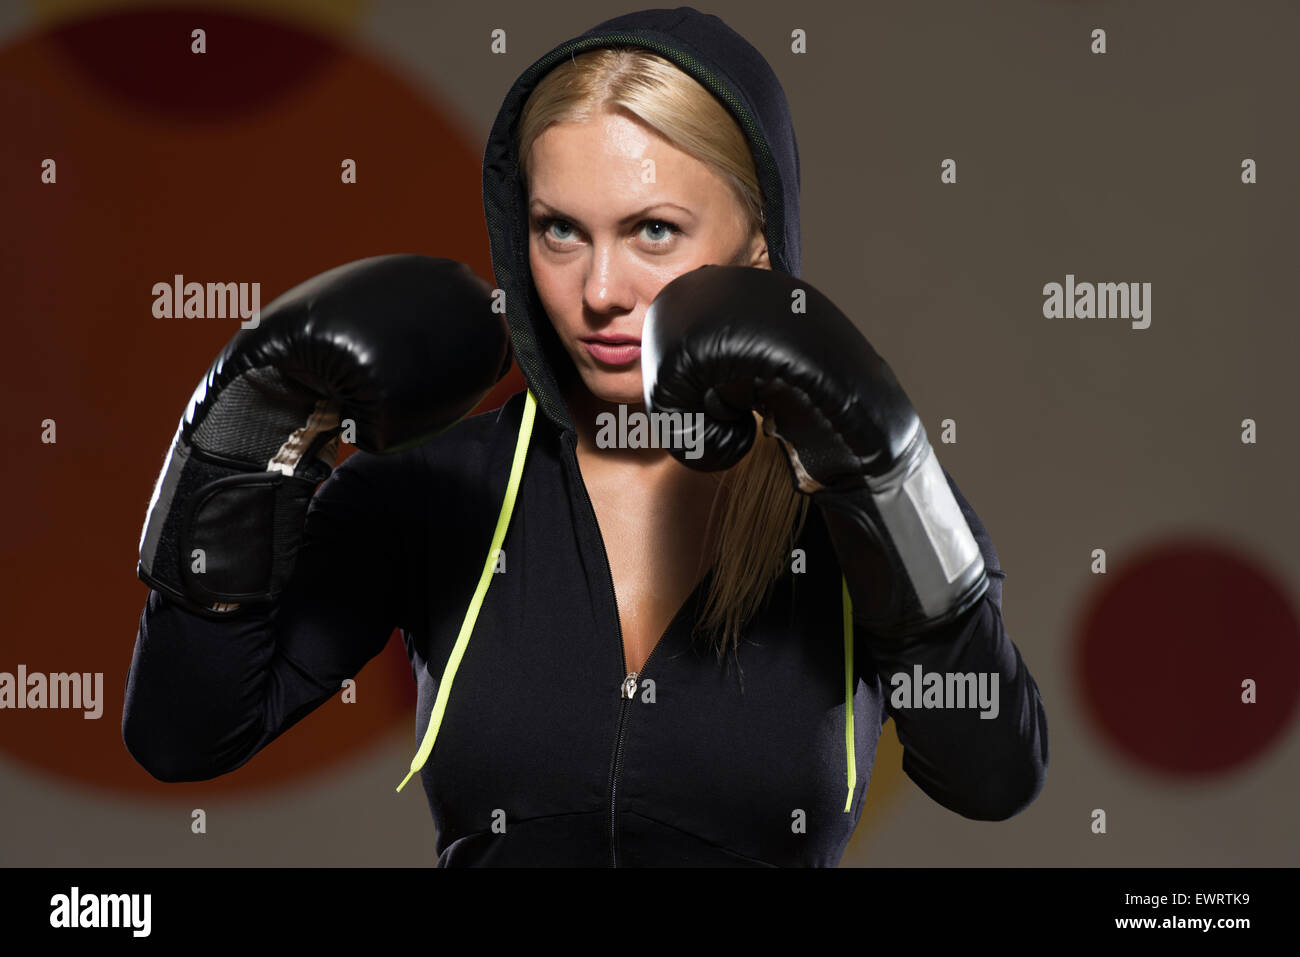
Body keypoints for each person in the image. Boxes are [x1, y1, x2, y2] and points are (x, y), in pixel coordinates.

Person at [124, 6, 1048, 867]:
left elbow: (992, 774)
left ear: (759, 243)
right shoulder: (440, 487)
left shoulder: (851, 491)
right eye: (559, 230)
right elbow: (185, 734)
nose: (601, 289)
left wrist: (886, 486)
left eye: (654, 230)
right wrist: (243, 431)